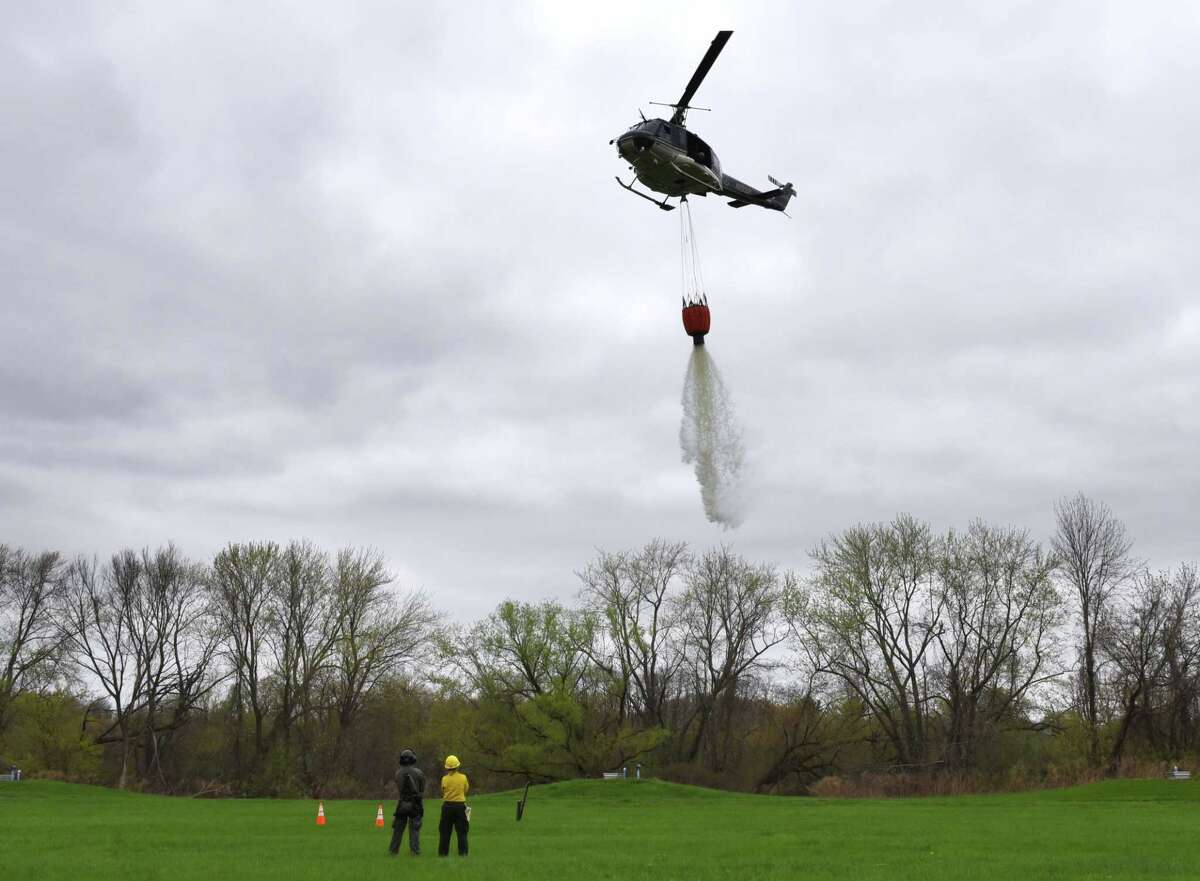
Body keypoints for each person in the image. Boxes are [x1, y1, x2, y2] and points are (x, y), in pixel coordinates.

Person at [389, 748, 425, 856]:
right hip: (415, 804)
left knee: (398, 829)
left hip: (402, 804)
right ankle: (415, 851)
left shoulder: (398, 773)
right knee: (414, 829)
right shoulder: (419, 773)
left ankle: (393, 851)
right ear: (413, 759)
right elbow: (422, 789)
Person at [438, 754, 469, 857]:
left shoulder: (444, 779)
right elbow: (466, 790)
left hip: (447, 807)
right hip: (460, 806)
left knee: (445, 832)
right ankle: (463, 853)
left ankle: (443, 854)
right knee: (462, 832)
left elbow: (443, 791)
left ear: (447, 767)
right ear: (457, 766)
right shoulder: (463, 778)